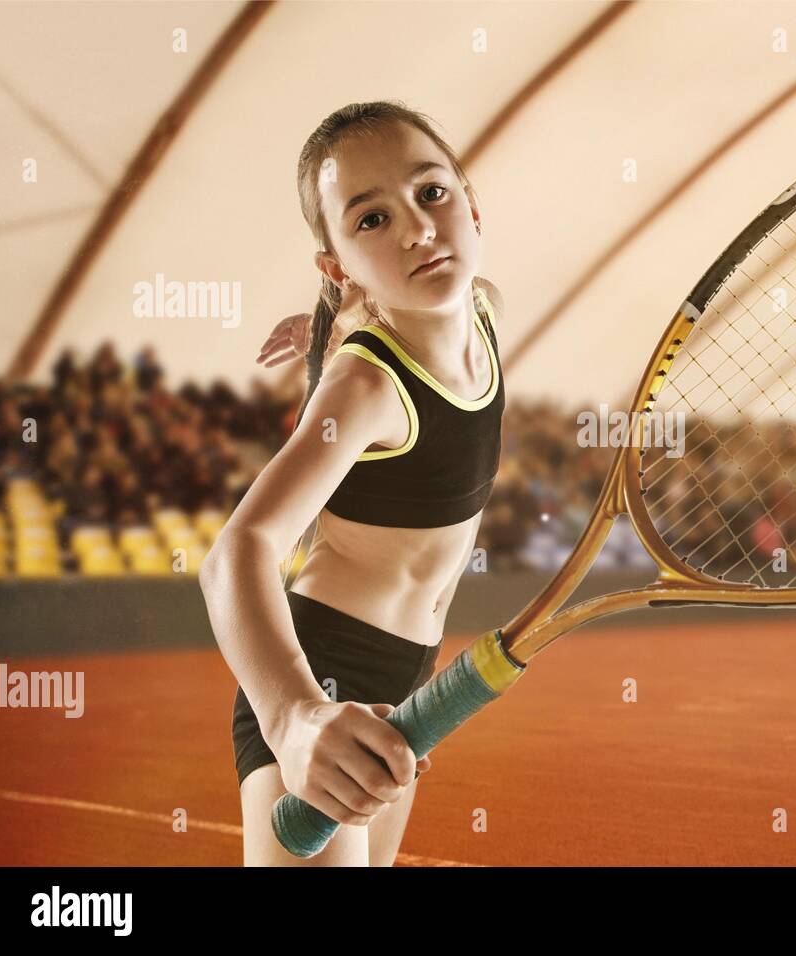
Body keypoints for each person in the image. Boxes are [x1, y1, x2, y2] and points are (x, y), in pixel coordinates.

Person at [201, 101, 507, 866]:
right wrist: (295, 717)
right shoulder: (366, 387)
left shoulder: (488, 313)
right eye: (370, 220)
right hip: (321, 676)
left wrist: (320, 320)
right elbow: (237, 551)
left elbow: (401, 297)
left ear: (472, 204)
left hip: (412, 675)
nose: (416, 228)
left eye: (431, 193)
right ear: (336, 264)